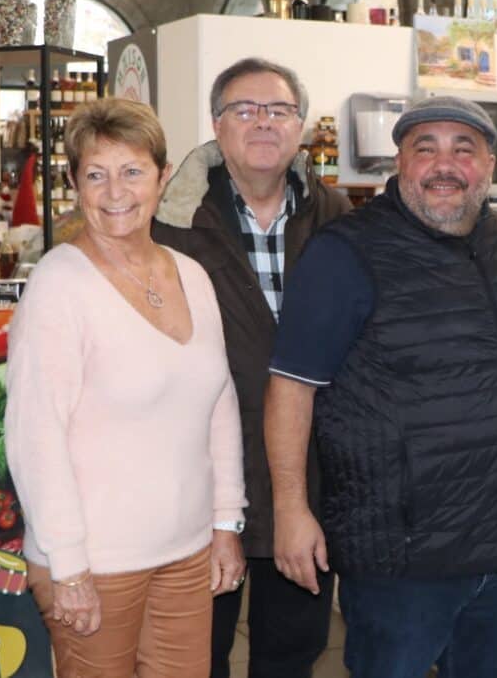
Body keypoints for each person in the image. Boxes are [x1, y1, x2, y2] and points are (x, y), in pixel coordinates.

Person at [266, 96, 497, 678]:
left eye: (464, 150)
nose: (444, 165)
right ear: (399, 162)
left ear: (490, 165)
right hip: (402, 559)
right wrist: (291, 509)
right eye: (426, 148)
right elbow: (291, 389)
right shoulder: (345, 252)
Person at [5, 97, 247, 677]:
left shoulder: (191, 274)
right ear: (73, 184)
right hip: (94, 562)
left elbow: (219, 405)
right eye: (96, 174)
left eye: (133, 171)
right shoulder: (59, 285)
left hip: (186, 552)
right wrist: (68, 567)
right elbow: (35, 437)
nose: (116, 192)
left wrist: (225, 523)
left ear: (163, 177)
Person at [151, 57, 350, 678]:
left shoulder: (338, 217)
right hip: (200, 481)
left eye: (279, 110)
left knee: (291, 654)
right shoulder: (171, 220)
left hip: (309, 478)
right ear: (217, 124)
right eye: (245, 109)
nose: (263, 122)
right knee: (195, 656)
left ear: (300, 126)